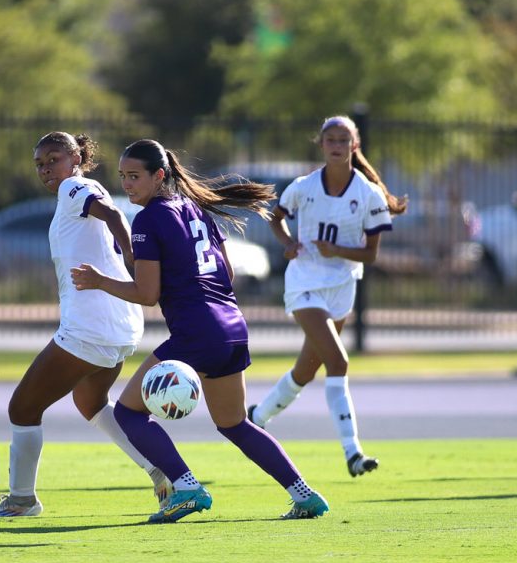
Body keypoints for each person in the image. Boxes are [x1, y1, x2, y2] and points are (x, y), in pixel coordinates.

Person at [71, 139, 330, 522]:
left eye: (135, 176)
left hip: (197, 330)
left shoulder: (148, 219)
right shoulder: (193, 209)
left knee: (127, 413)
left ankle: (187, 487)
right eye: (123, 176)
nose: (127, 184)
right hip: (231, 326)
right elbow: (225, 272)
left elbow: (147, 294)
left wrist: (99, 280)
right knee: (234, 424)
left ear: (159, 176)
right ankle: (305, 495)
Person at [0, 131, 171, 518]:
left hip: (91, 326)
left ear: (77, 158)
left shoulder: (74, 186)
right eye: (39, 164)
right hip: (119, 325)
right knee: (91, 403)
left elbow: (114, 214)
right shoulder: (77, 191)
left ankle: (21, 500)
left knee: (22, 407)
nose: (46, 169)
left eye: (54, 158)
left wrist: (133, 254)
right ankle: (159, 470)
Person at [247, 115, 407, 477]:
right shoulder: (304, 186)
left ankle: (257, 416)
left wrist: (336, 251)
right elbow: (275, 217)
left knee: (307, 370)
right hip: (304, 282)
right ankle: (353, 453)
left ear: (355, 145)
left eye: (343, 139)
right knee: (339, 362)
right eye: (330, 139)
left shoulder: (368, 194)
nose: (336, 145)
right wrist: (288, 243)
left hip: (342, 286)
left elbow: (370, 255)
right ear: (321, 144)